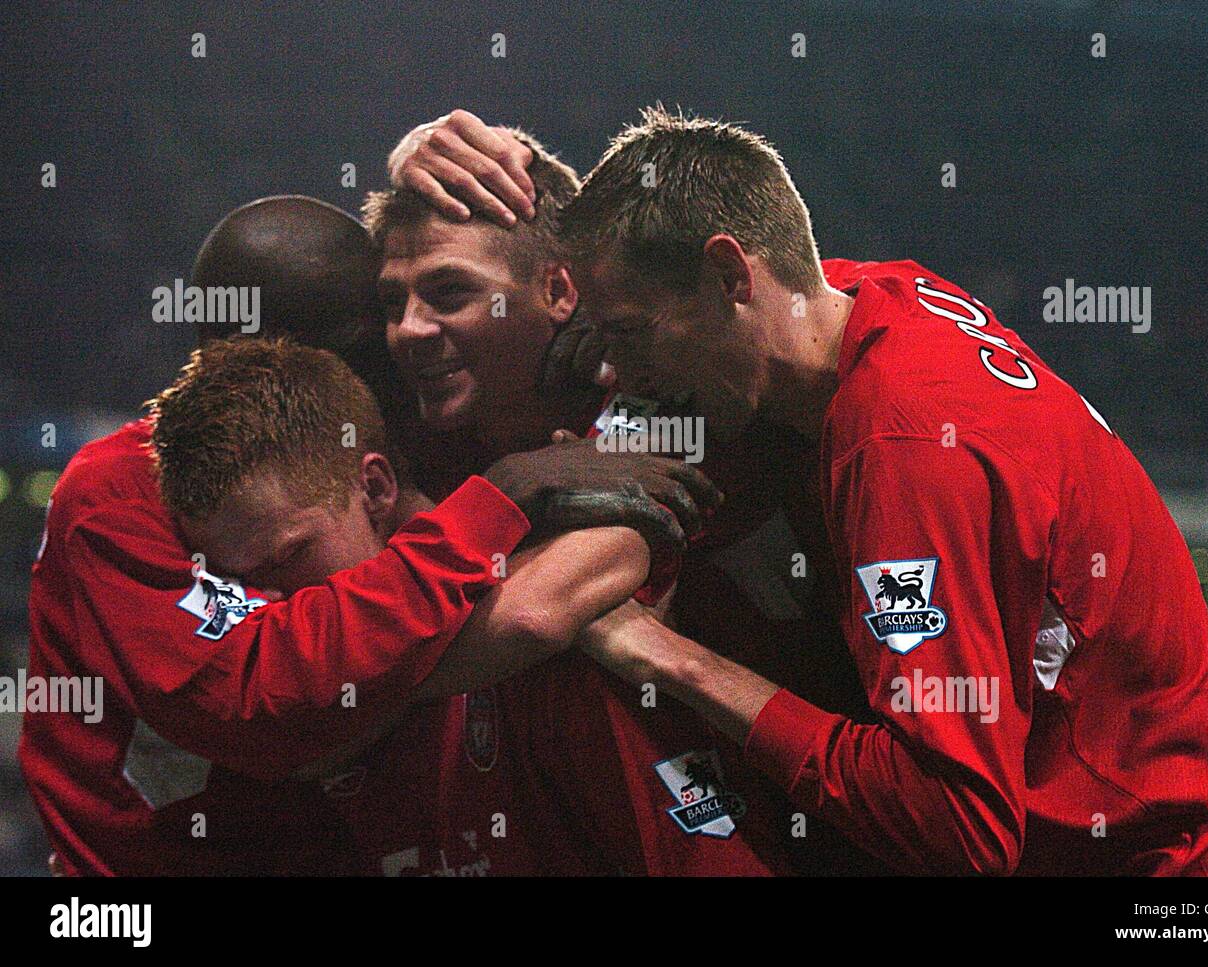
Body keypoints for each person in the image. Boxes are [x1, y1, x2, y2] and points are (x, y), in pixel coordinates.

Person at [558, 106, 1208, 875]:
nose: (614, 369)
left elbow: (961, 830)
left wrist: (673, 660)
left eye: (629, 332)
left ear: (729, 276)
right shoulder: (870, 298)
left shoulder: (903, 447)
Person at [19, 194, 714, 875]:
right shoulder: (114, 492)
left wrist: (606, 325)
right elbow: (270, 700)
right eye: (365, 339)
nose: (399, 346)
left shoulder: (396, 429)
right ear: (258, 367)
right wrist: (497, 505)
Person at [376, 116, 875, 872]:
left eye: (450, 292)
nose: (410, 330)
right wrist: (410, 148)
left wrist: (308, 681)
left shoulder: (677, 392)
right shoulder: (423, 412)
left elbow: (533, 615)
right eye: (391, 302)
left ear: (558, 289)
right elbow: (288, 267)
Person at [152, 337, 783, 875]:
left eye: (287, 557)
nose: (269, 603)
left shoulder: (554, 549)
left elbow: (538, 614)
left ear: (373, 486)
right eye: (242, 582)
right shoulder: (298, 690)